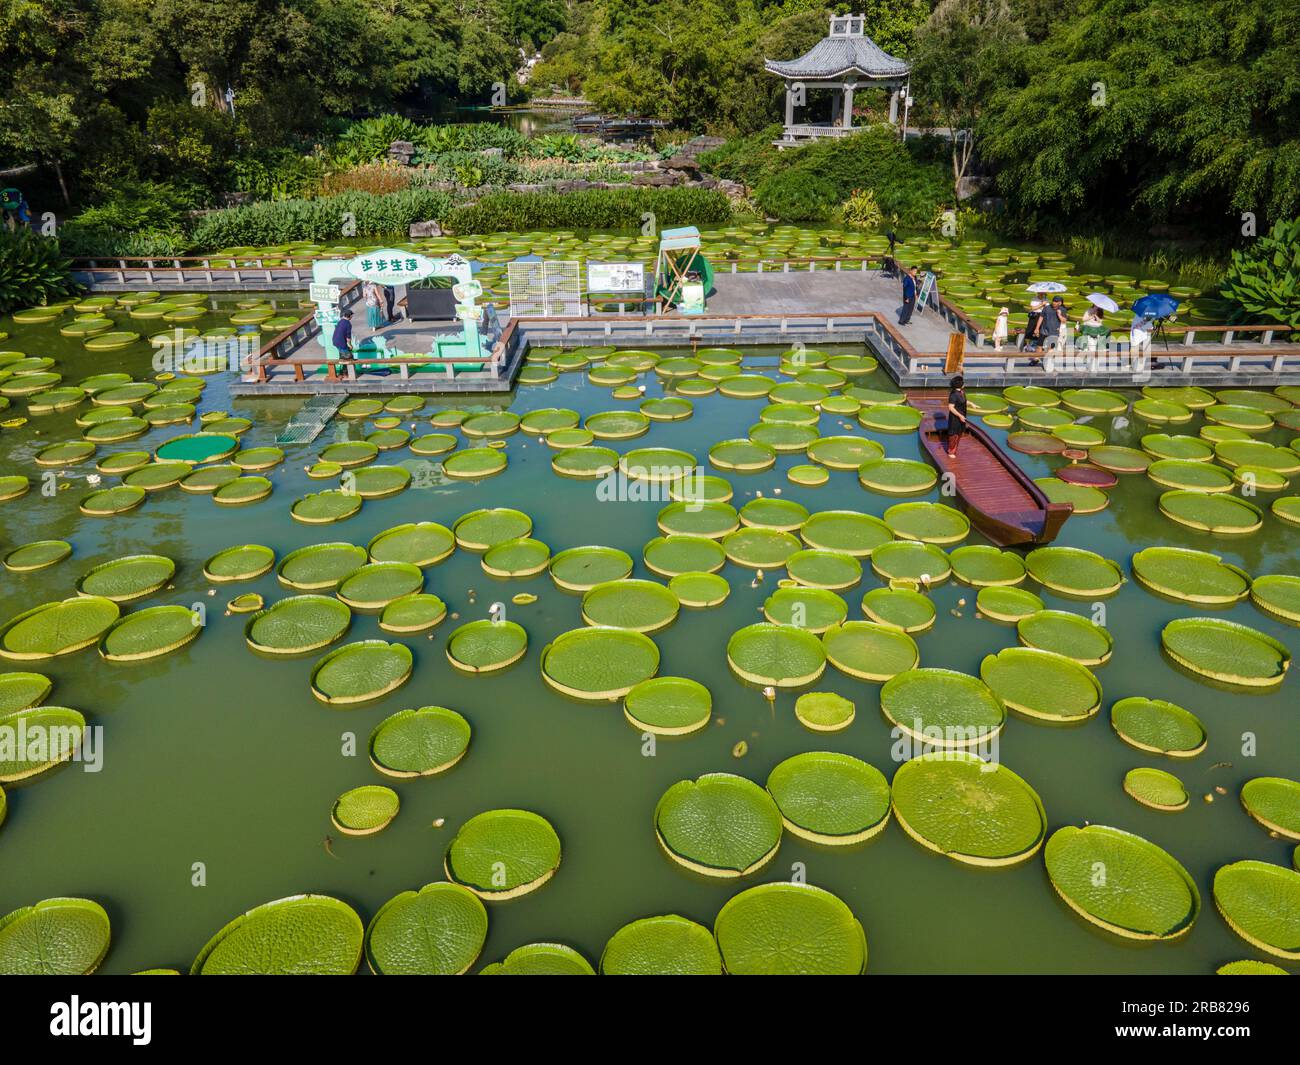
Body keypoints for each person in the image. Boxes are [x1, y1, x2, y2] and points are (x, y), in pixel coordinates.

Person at [945, 374, 968, 457]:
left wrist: (972, 404)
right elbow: (951, 407)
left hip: (962, 415)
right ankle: (951, 451)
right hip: (955, 417)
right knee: (953, 434)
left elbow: (964, 401)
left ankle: (955, 449)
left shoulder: (962, 392)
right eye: (963, 382)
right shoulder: (954, 394)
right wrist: (960, 416)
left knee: (959, 432)